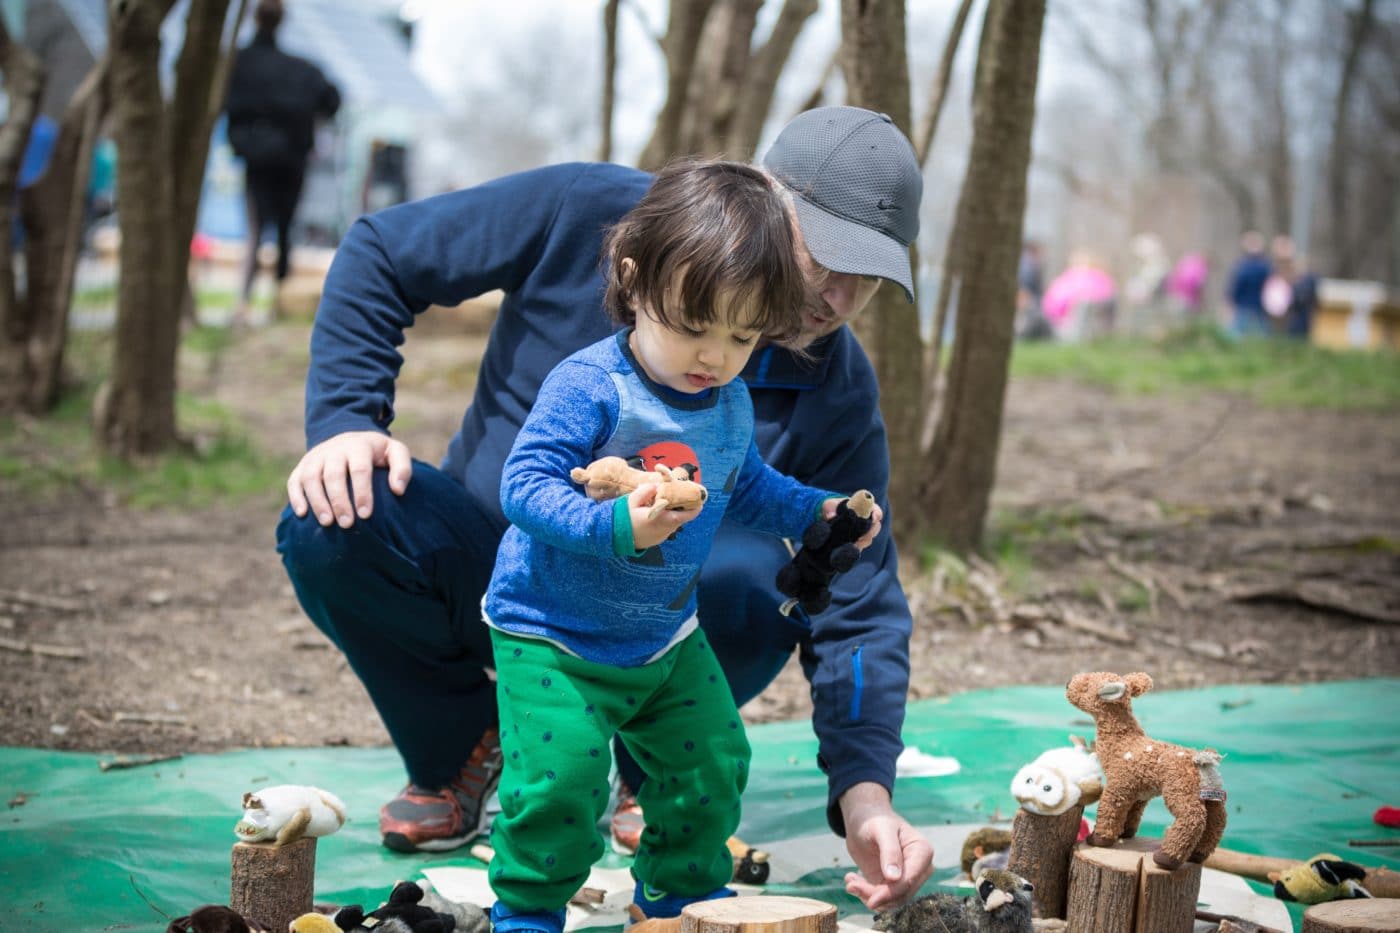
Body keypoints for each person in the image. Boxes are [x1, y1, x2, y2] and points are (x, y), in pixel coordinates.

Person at [276, 105, 933, 912]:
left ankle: (648, 775)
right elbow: (382, 251)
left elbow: (857, 595)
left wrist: (866, 791)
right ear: (764, 200)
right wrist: (345, 418)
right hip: (505, 566)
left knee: (783, 566)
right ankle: (462, 746)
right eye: (825, 254)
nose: (838, 295)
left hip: (662, 623)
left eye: (868, 274)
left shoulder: (834, 379)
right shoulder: (590, 211)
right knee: (334, 513)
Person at [483, 160, 882, 933]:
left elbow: (747, 483)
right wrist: (613, 528)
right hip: (553, 634)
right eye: (695, 328)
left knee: (714, 758)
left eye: (741, 335)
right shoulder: (591, 385)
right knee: (560, 784)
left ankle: (675, 895)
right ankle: (528, 909)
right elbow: (524, 488)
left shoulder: (725, 396)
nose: (715, 356)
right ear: (634, 282)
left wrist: (816, 509)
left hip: (663, 633)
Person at [224, 0, 340, 324]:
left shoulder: (237, 64)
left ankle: (244, 302)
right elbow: (332, 100)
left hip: (256, 160)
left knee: (256, 226)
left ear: (254, 18)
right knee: (286, 225)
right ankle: (277, 300)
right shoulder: (303, 70)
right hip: (293, 160)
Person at [1225, 231, 1271, 337]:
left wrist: (1230, 300)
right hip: (1258, 305)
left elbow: (1236, 285)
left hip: (1245, 305)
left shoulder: (1243, 266)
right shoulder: (1265, 266)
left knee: (1235, 333)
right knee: (1263, 333)